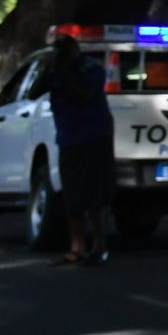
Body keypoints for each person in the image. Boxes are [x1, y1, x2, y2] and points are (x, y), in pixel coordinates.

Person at [45, 31, 113, 266]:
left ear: (75, 50)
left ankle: (100, 246)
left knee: (96, 195)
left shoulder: (90, 68)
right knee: (73, 195)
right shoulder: (56, 70)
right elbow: (35, 91)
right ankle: (76, 248)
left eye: (64, 50)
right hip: (69, 139)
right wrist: (49, 69)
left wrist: (63, 74)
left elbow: (83, 95)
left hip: (93, 137)